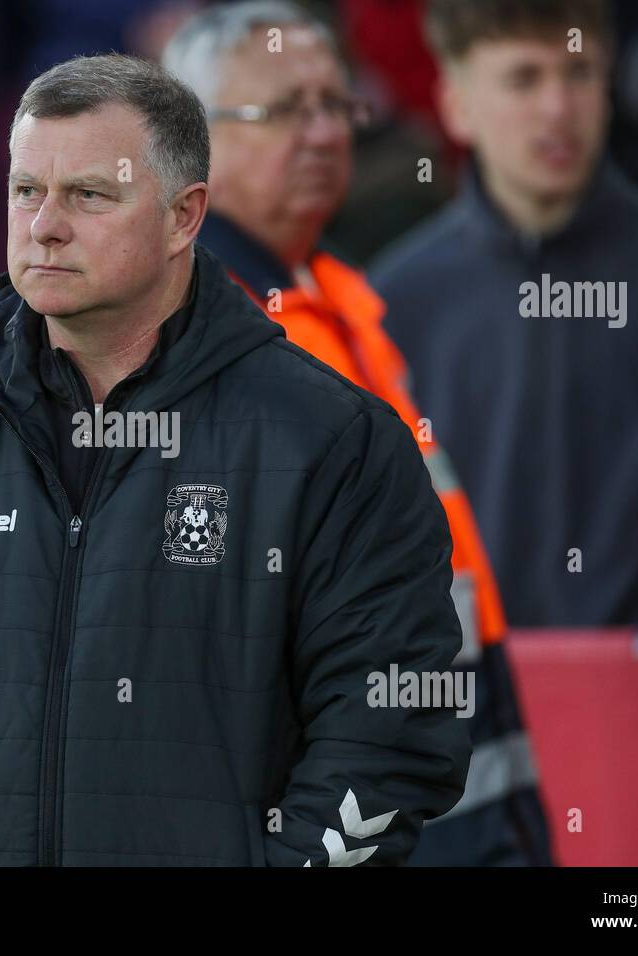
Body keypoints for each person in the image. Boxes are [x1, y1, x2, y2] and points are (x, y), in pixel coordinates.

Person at [0, 53, 470, 866]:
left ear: (185, 216)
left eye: (89, 195)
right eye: (26, 190)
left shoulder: (328, 437)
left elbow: (391, 718)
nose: (44, 225)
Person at [164, 0, 550, 865]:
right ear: (193, 143)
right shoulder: (193, 330)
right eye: (283, 110)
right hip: (353, 780)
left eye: (335, 104)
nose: (323, 132)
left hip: (455, 740)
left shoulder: (345, 298)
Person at [371, 0, 638, 627]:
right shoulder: (394, 305)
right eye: (524, 79)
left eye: (580, 72)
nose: (558, 108)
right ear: (455, 103)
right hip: (468, 711)